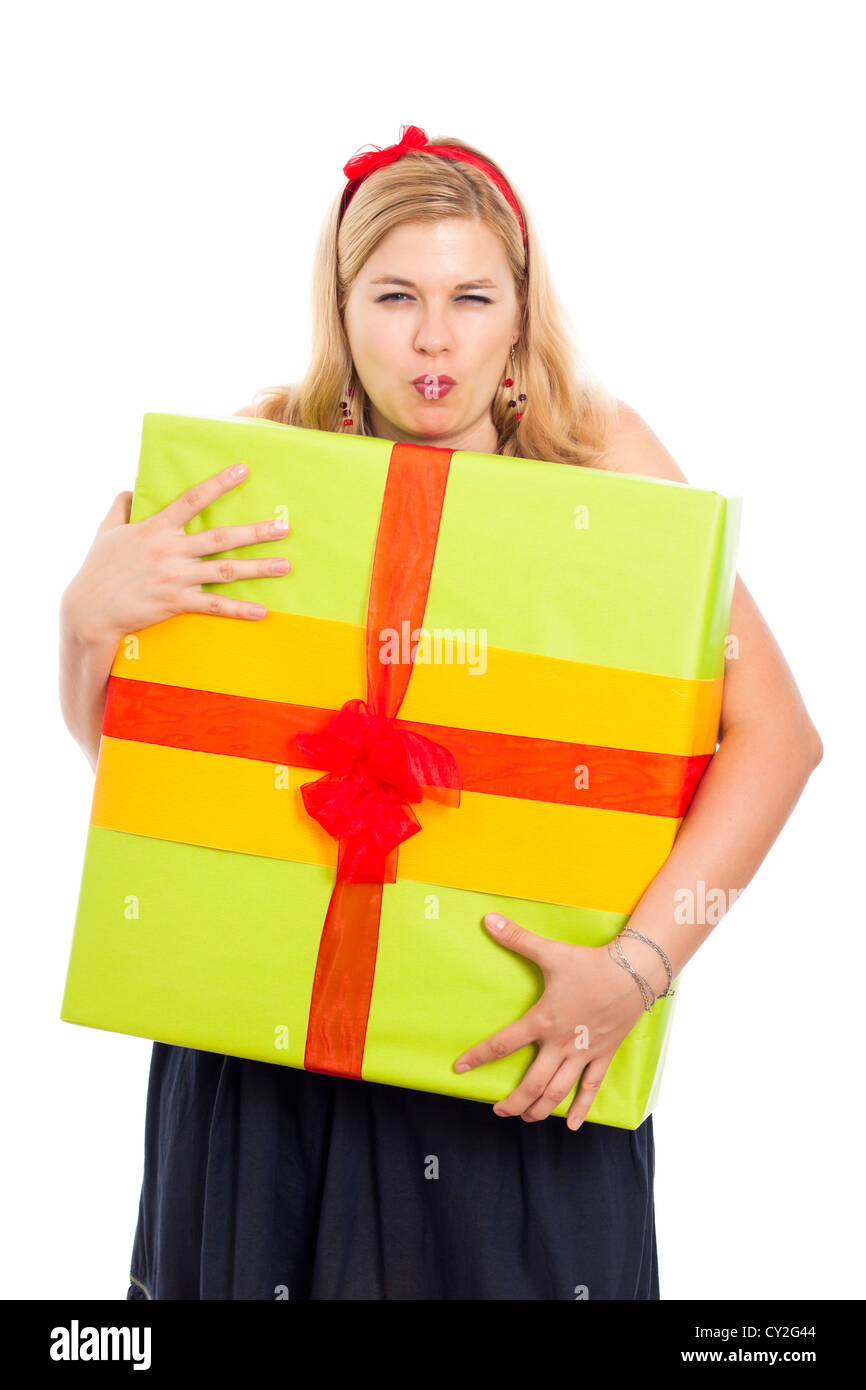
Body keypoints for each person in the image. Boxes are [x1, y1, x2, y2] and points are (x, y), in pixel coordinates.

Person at [58, 126, 823, 1301]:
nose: (431, 336)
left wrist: (634, 968)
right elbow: (154, 761)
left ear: (519, 311)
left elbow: (775, 738)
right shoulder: (263, 464)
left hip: (517, 1042)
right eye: (394, 295)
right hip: (265, 1070)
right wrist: (86, 625)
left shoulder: (603, 464)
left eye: (470, 295)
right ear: (340, 304)